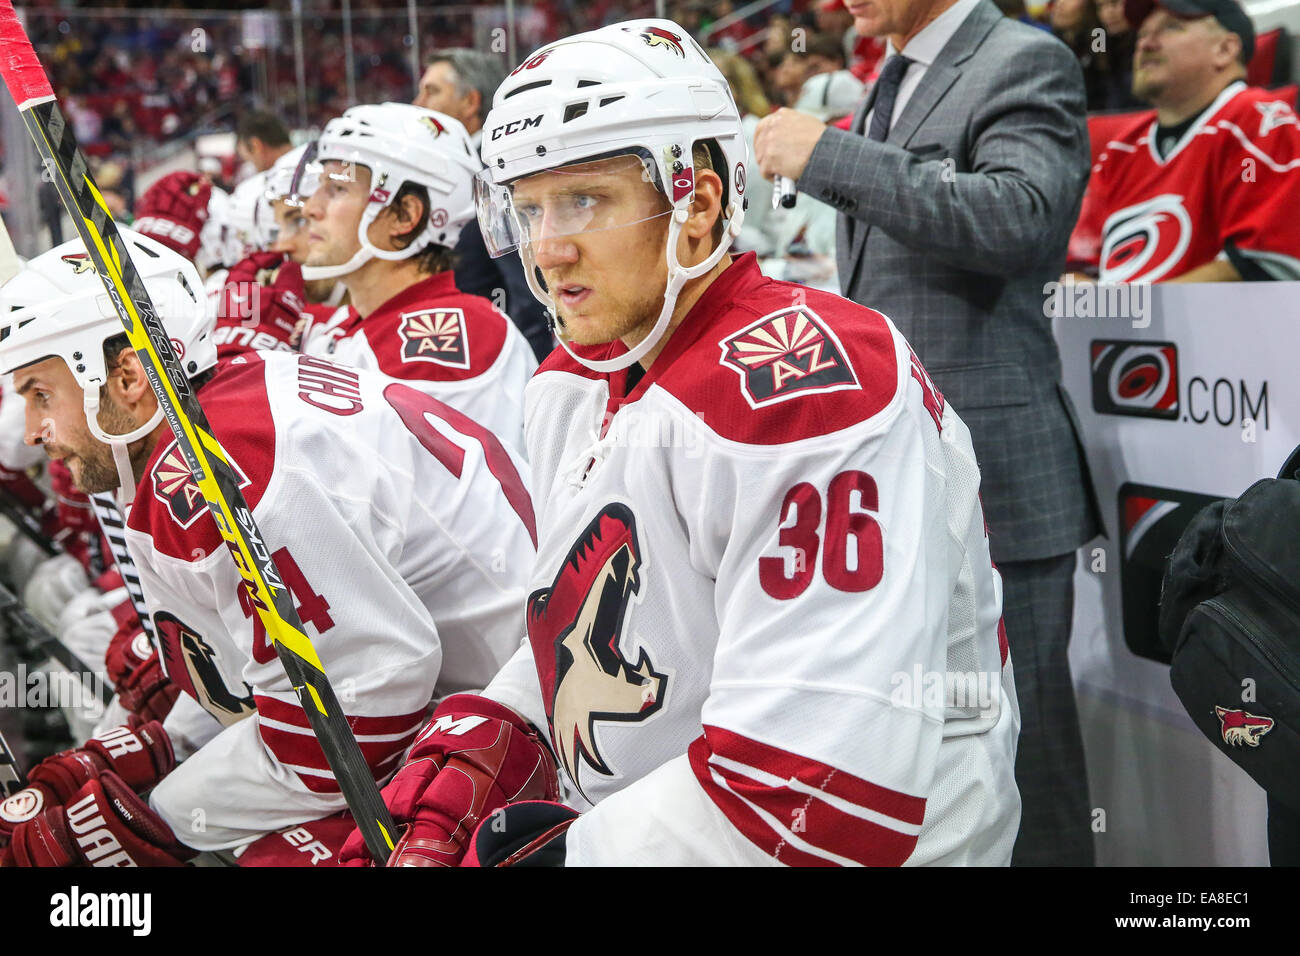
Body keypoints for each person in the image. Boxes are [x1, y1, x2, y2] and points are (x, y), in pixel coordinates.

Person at [340, 19, 1020, 868]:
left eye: (584, 199)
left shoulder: (811, 391)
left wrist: (556, 859)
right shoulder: (574, 375)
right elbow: (601, 617)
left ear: (695, 204)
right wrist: (503, 724)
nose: (547, 248)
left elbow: (815, 793)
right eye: (529, 207)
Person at [0, 228, 536, 866]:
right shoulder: (217, 415)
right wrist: (165, 744)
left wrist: (150, 822)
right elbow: (271, 674)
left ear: (127, 376)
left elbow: (363, 716)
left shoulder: (214, 472)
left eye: (40, 395)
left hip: (514, 721)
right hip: (481, 691)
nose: (33, 431)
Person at [754, 0, 1102, 865]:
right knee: (952, 759)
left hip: (1000, 474)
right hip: (905, 478)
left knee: (1029, 750)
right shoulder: (892, 80)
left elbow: (1021, 219)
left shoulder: (1024, 60)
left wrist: (828, 154)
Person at [298, 102, 537, 454]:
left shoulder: (459, 333)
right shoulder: (348, 323)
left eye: (336, 189)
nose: (309, 208)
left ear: (405, 215)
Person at [1070, 0, 1300, 281]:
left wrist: (1129, 317)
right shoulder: (1120, 149)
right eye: (1142, 34)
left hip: (1211, 324)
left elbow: (1260, 268)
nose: (1145, 44)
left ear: (1225, 49)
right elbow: (1079, 266)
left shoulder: (1260, 121)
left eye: (1171, 28)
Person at [413, 50, 554, 362]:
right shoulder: (462, 170)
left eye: (432, 91)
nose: (417, 104)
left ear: (471, 102)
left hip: (498, 363)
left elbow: (529, 292)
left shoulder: (493, 172)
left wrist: (530, 378)